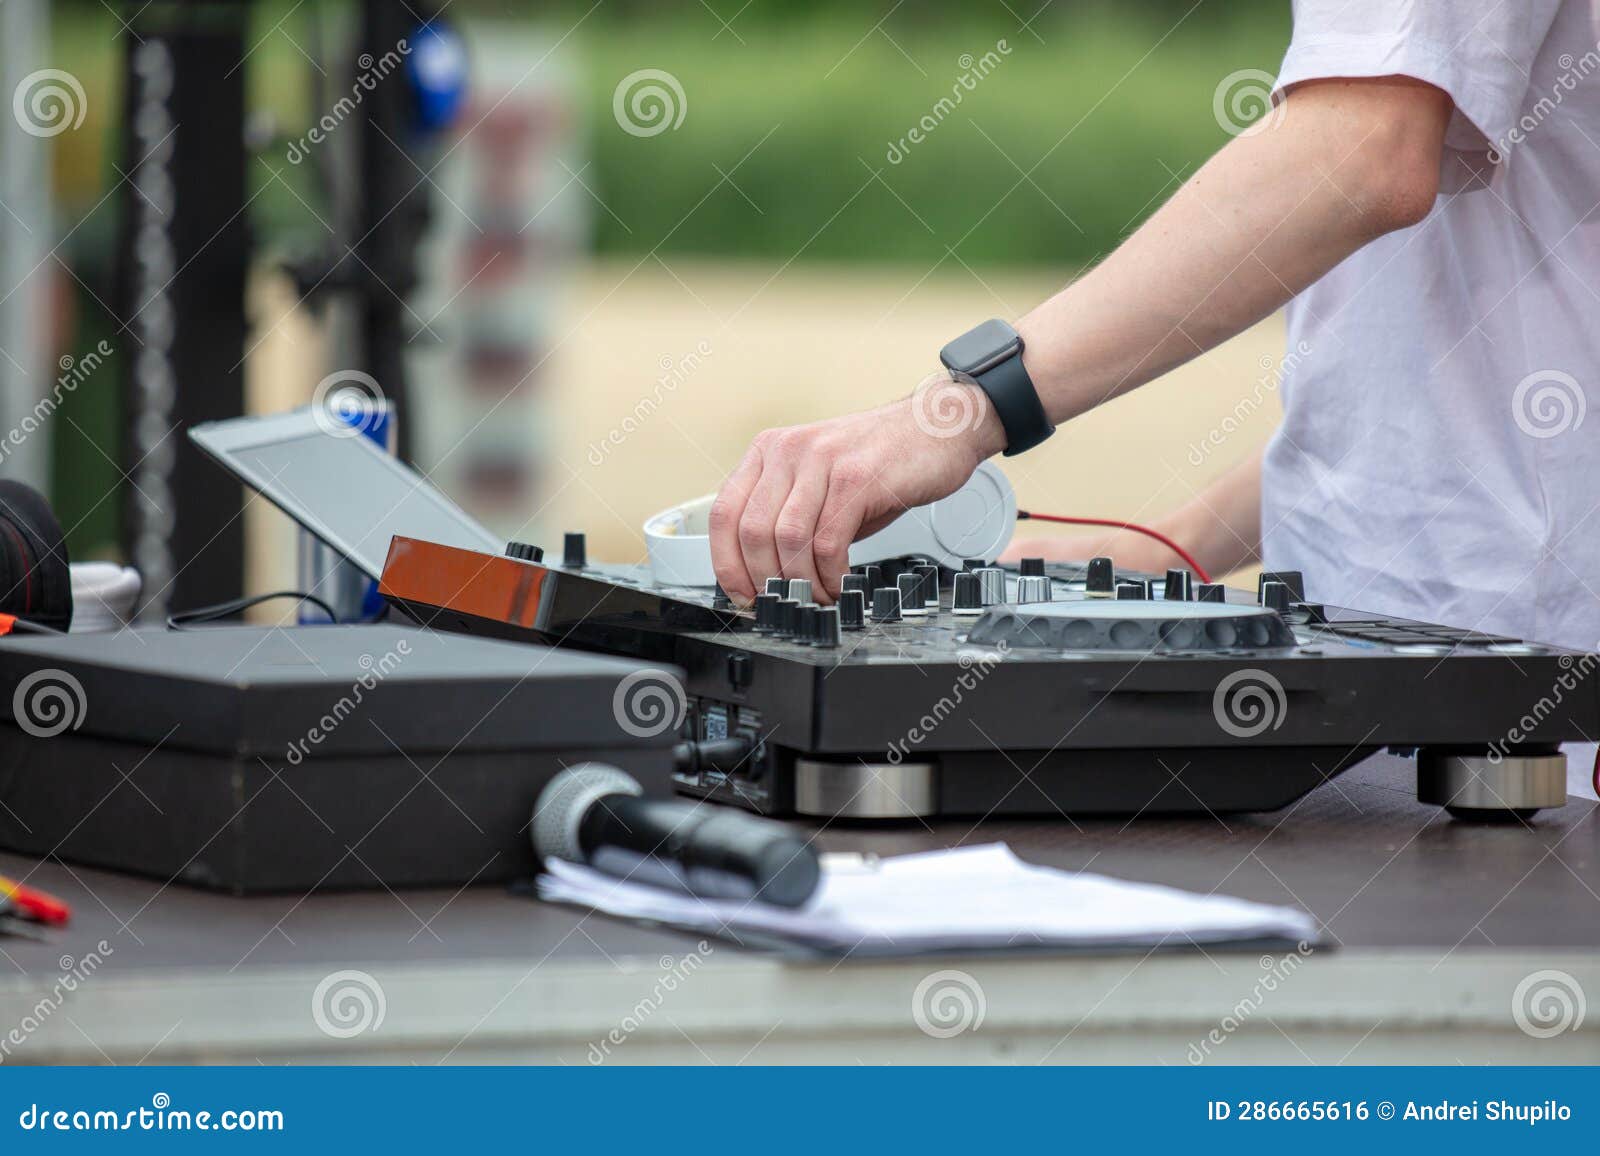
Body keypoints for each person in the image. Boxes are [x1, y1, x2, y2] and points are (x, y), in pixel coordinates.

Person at [708, 1, 1600, 655]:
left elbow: (1364, 150)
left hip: (1523, 711)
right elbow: (1431, 369)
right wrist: (1174, 545)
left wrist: (963, 408)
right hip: (1418, 658)